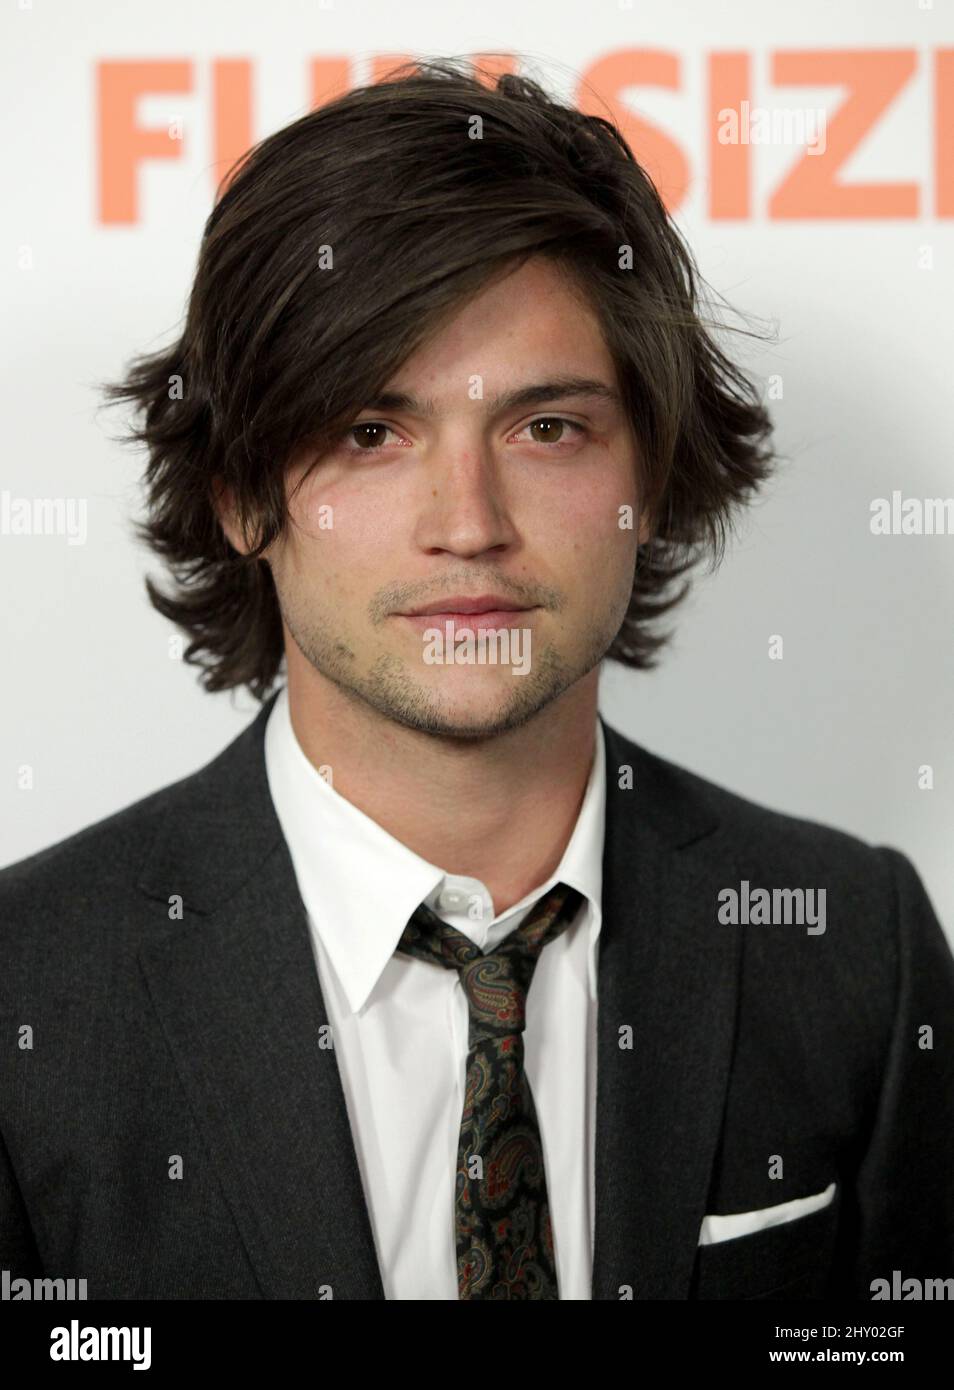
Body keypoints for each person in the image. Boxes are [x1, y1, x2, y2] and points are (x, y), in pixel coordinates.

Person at [1, 58, 952, 1302]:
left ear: (647, 479)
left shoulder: (854, 948)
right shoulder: (29, 990)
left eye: (546, 428)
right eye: (369, 433)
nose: (469, 521)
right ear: (238, 494)